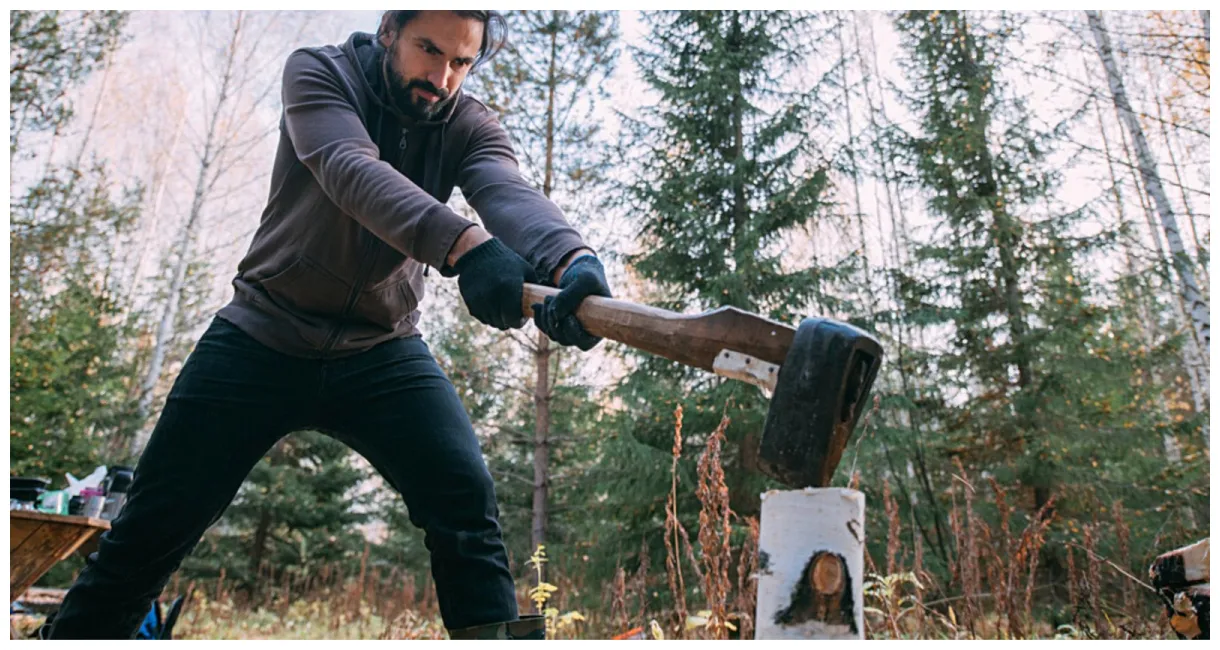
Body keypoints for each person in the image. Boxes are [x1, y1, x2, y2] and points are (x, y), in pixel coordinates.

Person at [48, 10, 611, 640]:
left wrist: (571, 258)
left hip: (381, 350)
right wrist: (466, 247)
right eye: (429, 50)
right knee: (149, 530)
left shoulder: (467, 124)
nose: (442, 76)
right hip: (262, 333)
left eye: (461, 62)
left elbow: (506, 189)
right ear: (391, 31)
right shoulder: (319, 72)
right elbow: (350, 168)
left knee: (464, 504)